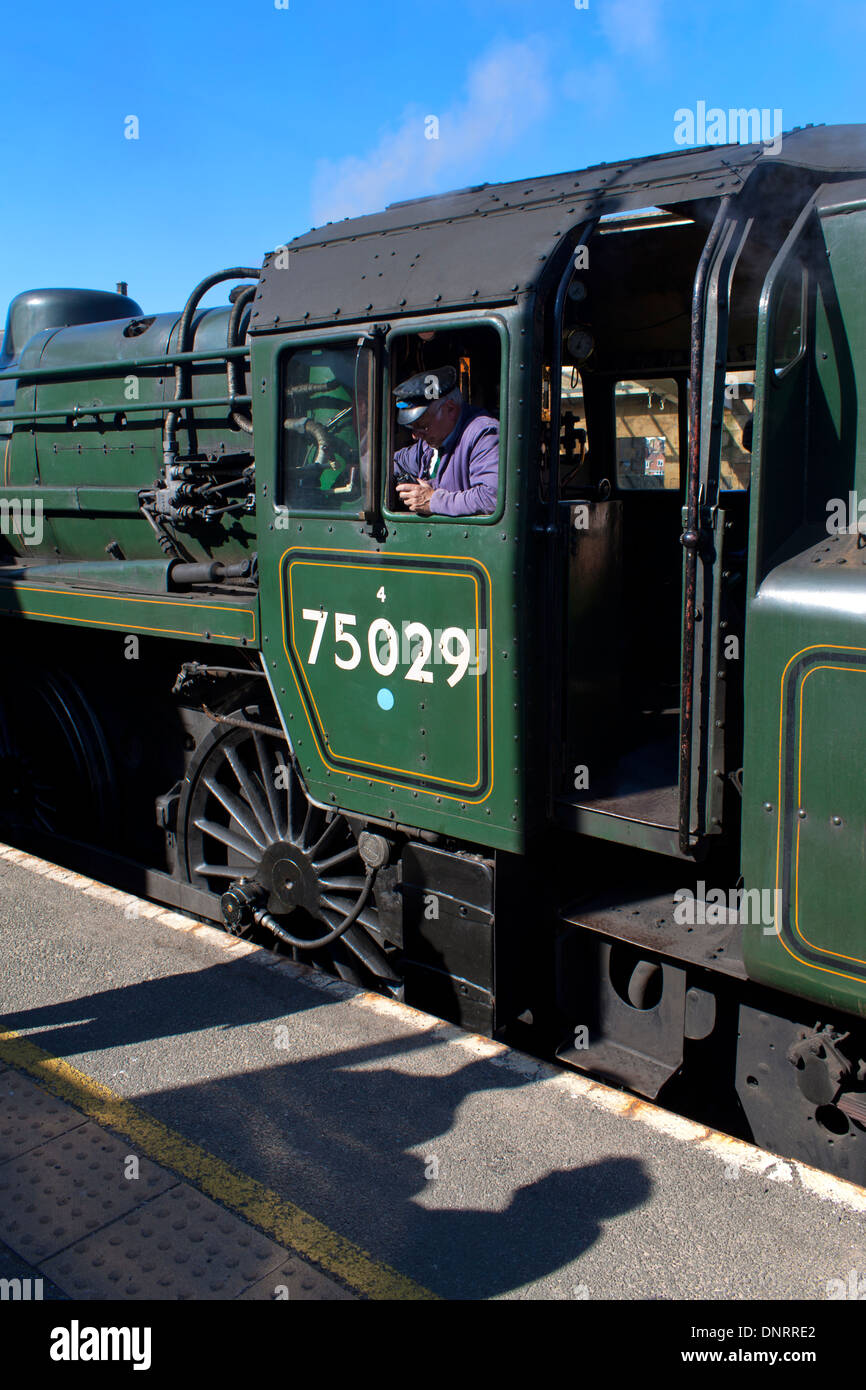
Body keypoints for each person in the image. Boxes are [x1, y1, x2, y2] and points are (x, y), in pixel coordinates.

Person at [392, 366, 498, 516]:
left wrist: (433, 501)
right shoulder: (428, 443)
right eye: (412, 427)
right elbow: (394, 463)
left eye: (422, 426)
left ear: (450, 410)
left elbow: (491, 498)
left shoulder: (483, 434)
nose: (415, 436)